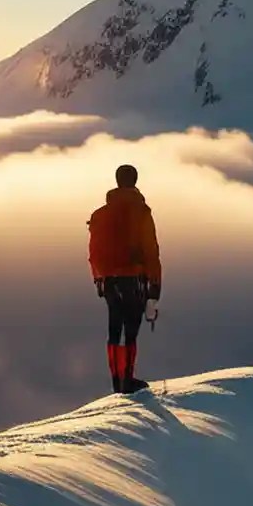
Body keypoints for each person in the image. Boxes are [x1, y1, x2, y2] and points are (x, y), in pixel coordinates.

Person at [87, 164, 162, 394]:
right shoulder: (141, 211)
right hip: (133, 279)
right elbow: (151, 251)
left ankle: (116, 379)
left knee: (114, 328)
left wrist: (99, 278)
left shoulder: (100, 214)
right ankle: (127, 380)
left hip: (108, 279)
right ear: (135, 181)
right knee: (130, 329)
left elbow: (93, 251)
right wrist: (154, 292)